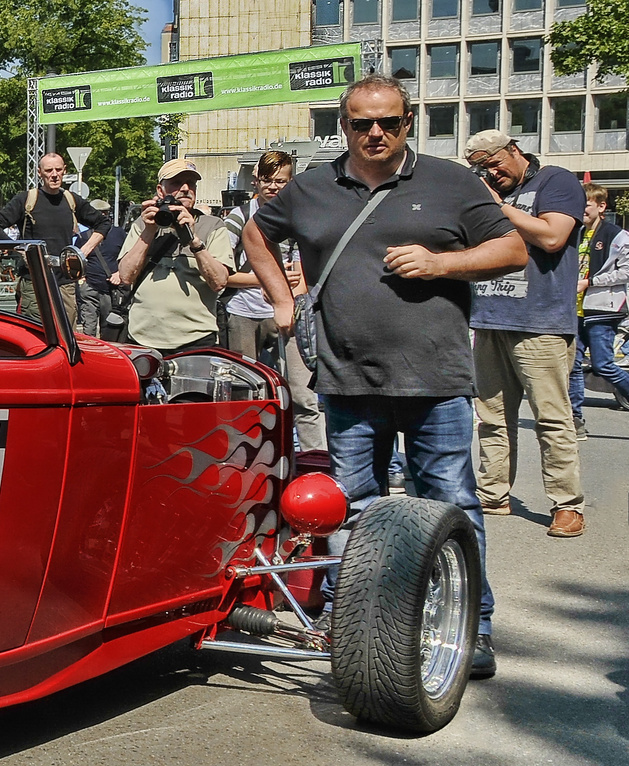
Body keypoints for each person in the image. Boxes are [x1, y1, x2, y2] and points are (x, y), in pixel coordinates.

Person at [243, 74, 527, 677]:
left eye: (388, 122)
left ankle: (470, 626)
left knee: (448, 501)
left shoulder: (451, 180)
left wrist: (440, 262)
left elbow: (511, 250)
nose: (375, 132)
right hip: (346, 379)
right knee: (351, 509)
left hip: (437, 379)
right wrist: (282, 302)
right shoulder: (312, 187)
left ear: (407, 122)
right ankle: (357, 620)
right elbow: (256, 234)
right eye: (361, 122)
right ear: (342, 125)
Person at [463, 129, 587, 537]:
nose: (490, 173)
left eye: (494, 163)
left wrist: (496, 206)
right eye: (480, 168)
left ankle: (567, 505)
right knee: (492, 418)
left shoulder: (556, 180)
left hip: (541, 323)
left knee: (552, 418)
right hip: (490, 317)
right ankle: (493, 493)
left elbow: (552, 237)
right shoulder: (486, 189)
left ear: (514, 150)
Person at [220, 150, 324, 457]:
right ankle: (246, 454)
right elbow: (223, 275)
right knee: (245, 391)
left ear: (291, 182)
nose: (273, 187)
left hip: (292, 312)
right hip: (245, 312)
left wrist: (294, 294)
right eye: (267, 180)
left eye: (281, 180)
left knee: (304, 395)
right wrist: (268, 281)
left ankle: (313, 458)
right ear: (255, 181)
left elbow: (311, 265)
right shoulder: (239, 217)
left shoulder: (301, 215)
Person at [117, 159, 233, 352]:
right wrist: (148, 231)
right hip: (142, 338)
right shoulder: (143, 224)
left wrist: (194, 241)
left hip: (195, 339)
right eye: (176, 183)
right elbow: (126, 276)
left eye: (191, 183)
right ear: (160, 191)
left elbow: (219, 282)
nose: (185, 188)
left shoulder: (212, 225)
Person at [0, 152, 109, 324]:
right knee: (36, 334)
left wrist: (83, 251)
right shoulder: (26, 199)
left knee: (67, 335)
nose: (54, 174)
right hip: (34, 282)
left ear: (64, 171)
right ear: (40, 172)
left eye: (58, 169)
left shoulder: (71, 200)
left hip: (65, 282)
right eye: (49, 170)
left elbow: (103, 223)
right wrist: (20, 248)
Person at [575, 183, 629, 412]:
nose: (581, 210)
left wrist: (590, 282)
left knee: (603, 365)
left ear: (601, 206)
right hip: (575, 310)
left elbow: (626, 271)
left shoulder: (617, 235)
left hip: (603, 309)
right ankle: (574, 417)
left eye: (586, 205)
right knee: (572, 366)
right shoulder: (576, 232)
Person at [77, 201, 124, 338]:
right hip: (90, 287)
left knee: (108, 328)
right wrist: (81, 279)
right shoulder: (84, 236)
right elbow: (77, 259)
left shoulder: (119, 233)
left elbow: (128, 256)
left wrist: (119, 273)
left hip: (110, 289)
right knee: (88, 328)